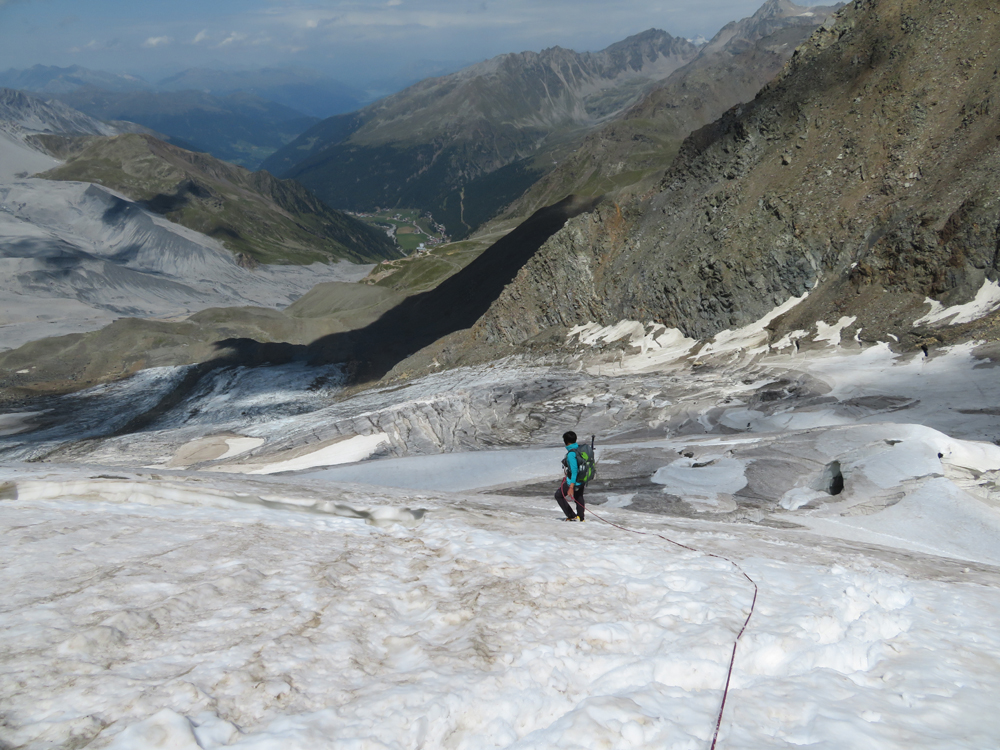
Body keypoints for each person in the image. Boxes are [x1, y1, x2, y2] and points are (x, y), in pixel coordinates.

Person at [555, 431, 587, 521]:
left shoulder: (571, 454)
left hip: (573, 481)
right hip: (582, 479)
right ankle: (581, 518)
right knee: (579, 497)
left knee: (558, 495)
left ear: (566, 441)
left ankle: (571, 516)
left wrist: (571, 486)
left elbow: (574, 471)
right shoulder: (579, 449)